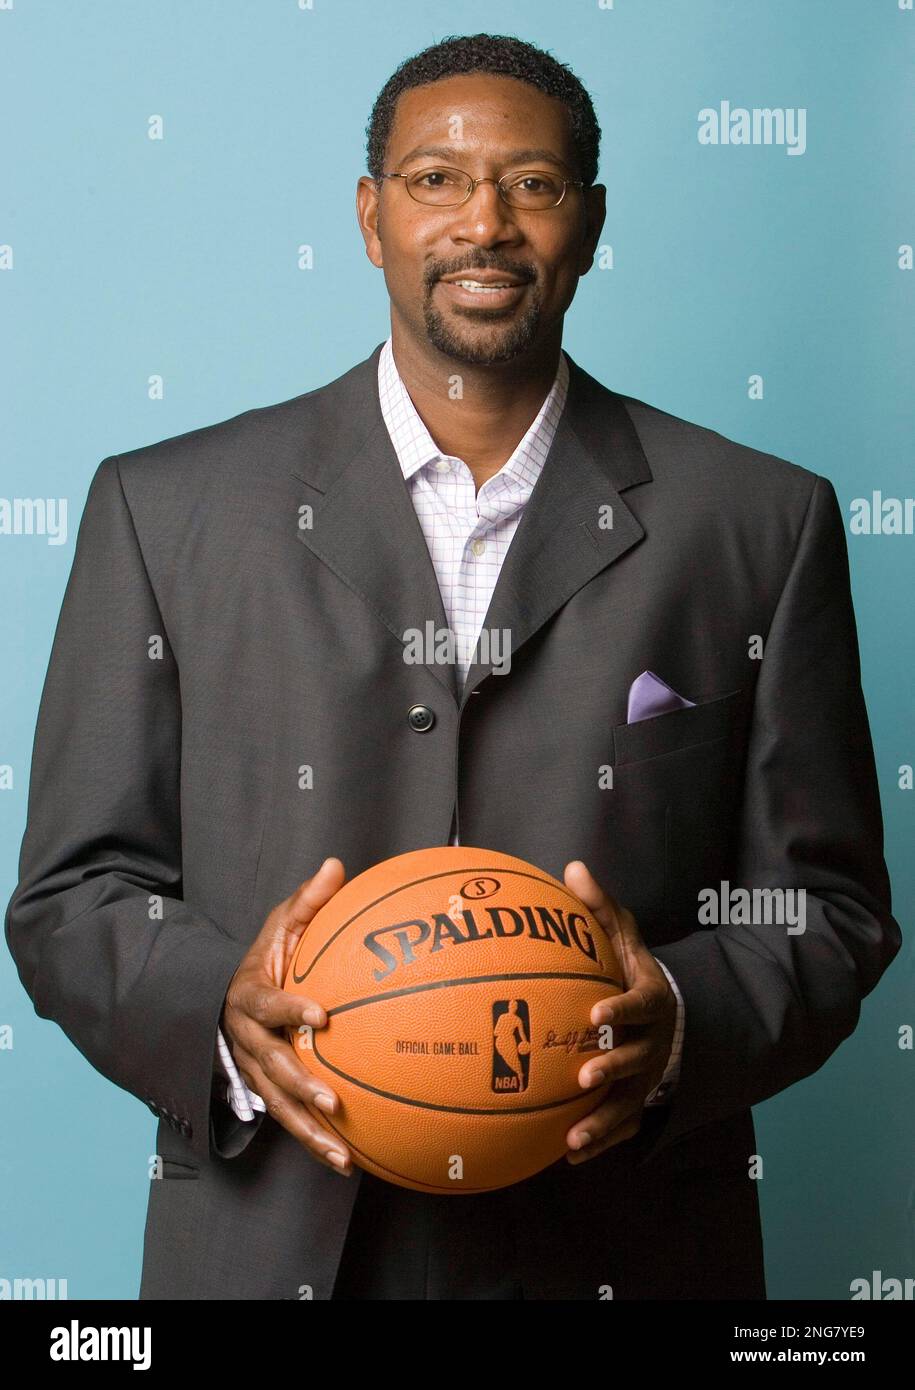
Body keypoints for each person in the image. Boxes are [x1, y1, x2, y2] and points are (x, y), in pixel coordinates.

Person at [5, 32, 900, 1301]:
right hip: (271, 1252)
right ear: (370, 219)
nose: (483, 223)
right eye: (435, 180)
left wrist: (679, 1025)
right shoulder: (166, 509)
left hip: (623, 1249)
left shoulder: (757, 521)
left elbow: (831, 907)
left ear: (589, 225)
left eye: (531, 185)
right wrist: (226, 1011)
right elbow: (72, 892)